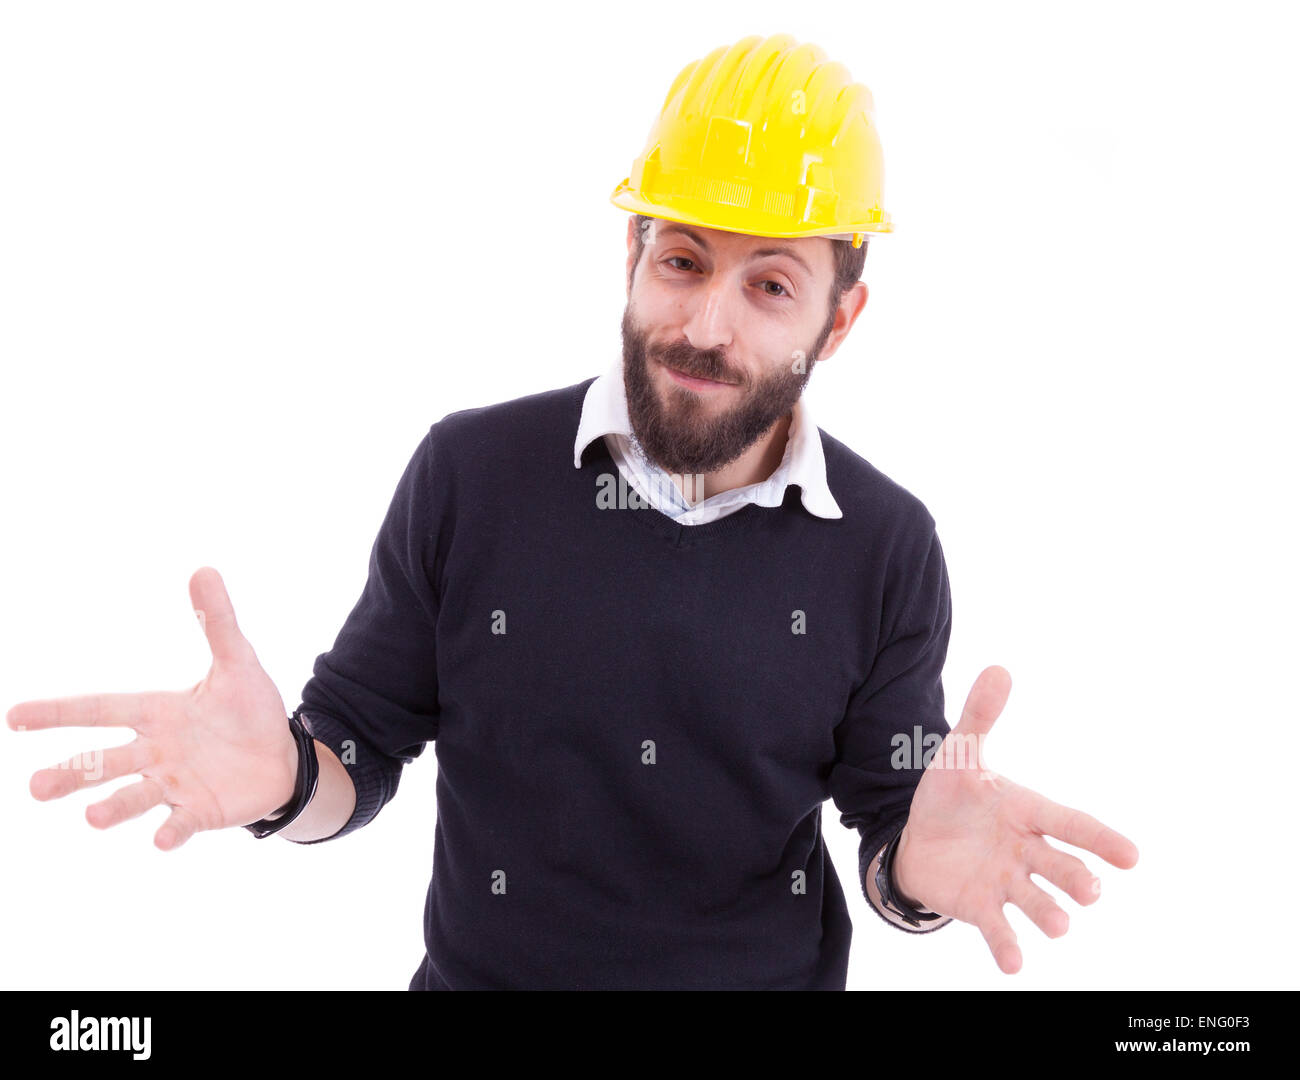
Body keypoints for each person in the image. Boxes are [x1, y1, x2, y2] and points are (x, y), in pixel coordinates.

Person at [6, 33, 1137, 990]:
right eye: (682, 258)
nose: (705, 324)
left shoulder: (887, 547)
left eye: (771, 284)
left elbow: (900, 826)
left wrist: (916, 881)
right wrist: (289, 782)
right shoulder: (469, 474)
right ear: (631, 251)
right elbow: (355, 750)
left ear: (840, 321)